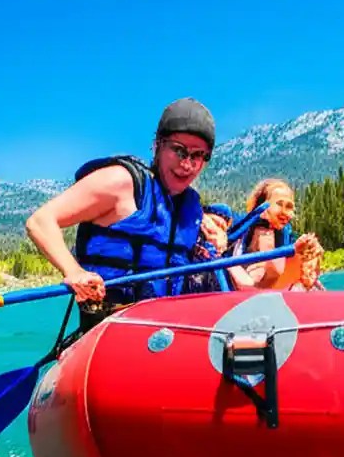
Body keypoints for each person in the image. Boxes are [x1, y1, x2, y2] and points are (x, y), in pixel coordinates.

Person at [24, 98, 318, 331]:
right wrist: (74, 271)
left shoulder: (191, 210)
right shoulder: (120, 182)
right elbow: (41, 221)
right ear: (157, 145)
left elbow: (238, 277)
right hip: (109, 326)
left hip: (167, 331)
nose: (187, 164)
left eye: (198, 156)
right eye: (179, 150)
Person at [230, 178, 323, 290]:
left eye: (289, 207)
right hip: (247, 285)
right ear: (263, 206)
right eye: (279, 204)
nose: (285, 212)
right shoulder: (248, 228)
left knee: (310, 250)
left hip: (272, 287)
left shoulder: (285, 233)